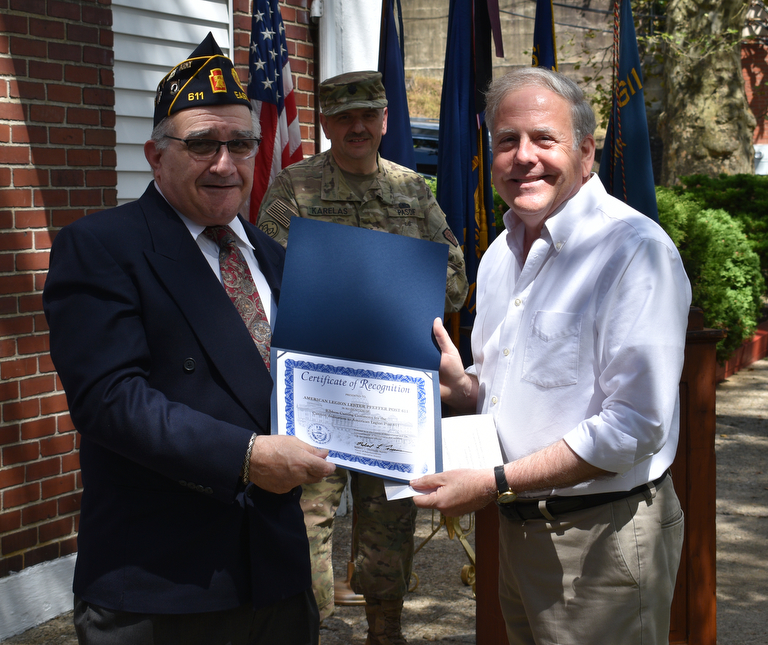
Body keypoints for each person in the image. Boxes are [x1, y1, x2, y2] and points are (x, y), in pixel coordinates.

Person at [42, 33, 335, 645]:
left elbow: (317, 383)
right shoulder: (101, 247)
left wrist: (424, 390)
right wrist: (246, 457)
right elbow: (110, 400)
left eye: (240, 143)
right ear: (155, 155)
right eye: (202, 143)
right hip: (162, 588)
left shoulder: (279, 257)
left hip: (277, 577)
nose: (224, 164)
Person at [410, 67, 692, 645]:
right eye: (507, 140)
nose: (523, 157)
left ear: (586, 153)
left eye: (544, 138)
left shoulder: (634, 251)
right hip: (519, 532)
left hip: (602, 542)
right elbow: (517, 389)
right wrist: (465, 389)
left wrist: (493, 483)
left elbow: (633, 426)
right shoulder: (498, 255)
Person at [256, 71, 468, 645]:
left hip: (391, 390)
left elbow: (454, 281)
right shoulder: (294, 188)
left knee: (389, 518)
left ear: (385, 120)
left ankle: (385, 629)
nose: (357, 127)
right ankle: (306, 628)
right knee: (307, 515)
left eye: (368, 115)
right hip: (316, 388)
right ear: (325, 124)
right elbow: (265, 278)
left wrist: (398, 287)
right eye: (344, 117)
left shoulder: (412, 191)